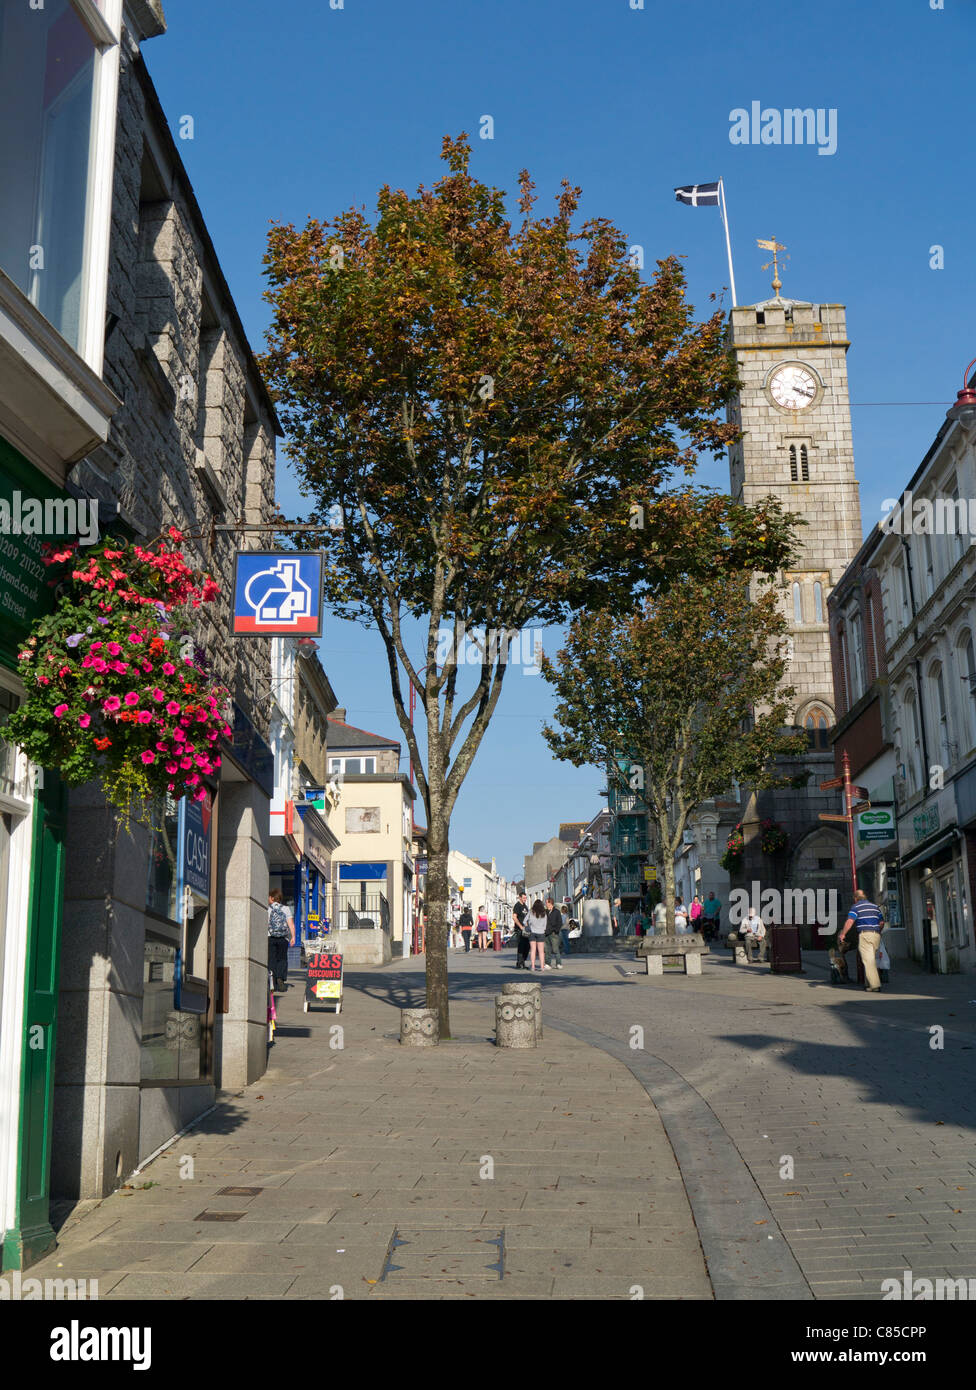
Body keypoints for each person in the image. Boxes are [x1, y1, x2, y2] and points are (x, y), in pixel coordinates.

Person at [838, 889, 885, 992]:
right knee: (871, 959)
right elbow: (881, 922)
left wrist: (843, 934)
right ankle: (868, 985)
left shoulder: (856, 907)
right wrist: (878, 932)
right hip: (876, 935)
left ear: (855, 898)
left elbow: (850, 921)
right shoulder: (875, 907)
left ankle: (875, 985)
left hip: (865, 935)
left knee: (868, 961)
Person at [267, 890, 295, 991]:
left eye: (269, 897)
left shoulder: (268, 909)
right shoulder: (286, 909)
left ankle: (272, 981)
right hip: (283, 938)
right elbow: (291, 924)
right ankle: (281, 979)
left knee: (271, 959)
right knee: (282, 958)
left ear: (272, 898)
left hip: (270, 937)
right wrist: (293, 937)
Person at [526, 898, 548, 971]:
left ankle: (532, 966)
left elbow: (524, 921)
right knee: (541, 951)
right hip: (541, 932)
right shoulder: (544, 913)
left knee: (533, 950)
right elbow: (545, 923)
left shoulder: (531, 911)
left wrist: (529, 926)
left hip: (532, 932)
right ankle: (542, 967)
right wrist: (543, 929)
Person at [513, 891, 531, 969]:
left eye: (525, 898)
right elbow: (514, 917)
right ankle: (519, 963)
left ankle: (522, 961)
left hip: (526, 929)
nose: (525, 899)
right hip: (519, 929)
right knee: (521, 946)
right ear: (520, 897)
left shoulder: (525, 906)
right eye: (523, 898)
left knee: (527, 946)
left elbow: (527, 918)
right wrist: (520, 926)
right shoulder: (517, 906)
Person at [544, 895, 563, 969]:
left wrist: (556, 930)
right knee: (547, 950)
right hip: (546, 933)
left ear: (550, 903)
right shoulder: (545, 912)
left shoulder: (556, 911)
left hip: (554, 933)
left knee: (555, 949)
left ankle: (558, 963)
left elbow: (559, 922)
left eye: (546, 902)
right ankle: (548, 964)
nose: (546, 904)